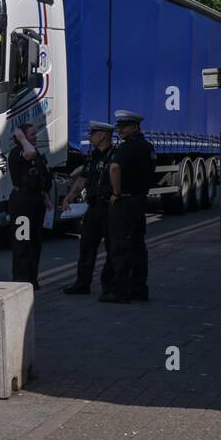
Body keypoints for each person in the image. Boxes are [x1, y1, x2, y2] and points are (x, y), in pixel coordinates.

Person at [102, 110, 157, 304]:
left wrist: (116, 193)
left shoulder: (128, 147)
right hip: (140, 200)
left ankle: (119, 291)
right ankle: (139, 288)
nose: (120, 130)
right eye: (119, 127)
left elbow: (115, 167)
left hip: (125, 201)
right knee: (138, 246)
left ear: (135, 127)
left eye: (124, 127)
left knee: (121, 246)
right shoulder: (148, 147)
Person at [60, 121, 115, 295]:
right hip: (93, 207)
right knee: (86, 247)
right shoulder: (93, 155)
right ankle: (82, 284)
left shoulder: (115, 155)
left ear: (103, 135)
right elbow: (83, 178)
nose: (89, 136)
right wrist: (69, 197)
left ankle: (109, 287)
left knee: (112, 249)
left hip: (109, 208)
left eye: (92, 133)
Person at [7, 122, 52, 289]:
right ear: (23, 137)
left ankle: (32, 278)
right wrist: (21, 137)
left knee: (35, 242)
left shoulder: (36, 152)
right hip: (22, 203)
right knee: (22, 240)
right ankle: (21, 278)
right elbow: (30, 152)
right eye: (32, 134)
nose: (36, 137)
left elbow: (42, 176)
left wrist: (46, 197)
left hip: (35, 201)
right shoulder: (18, 152)